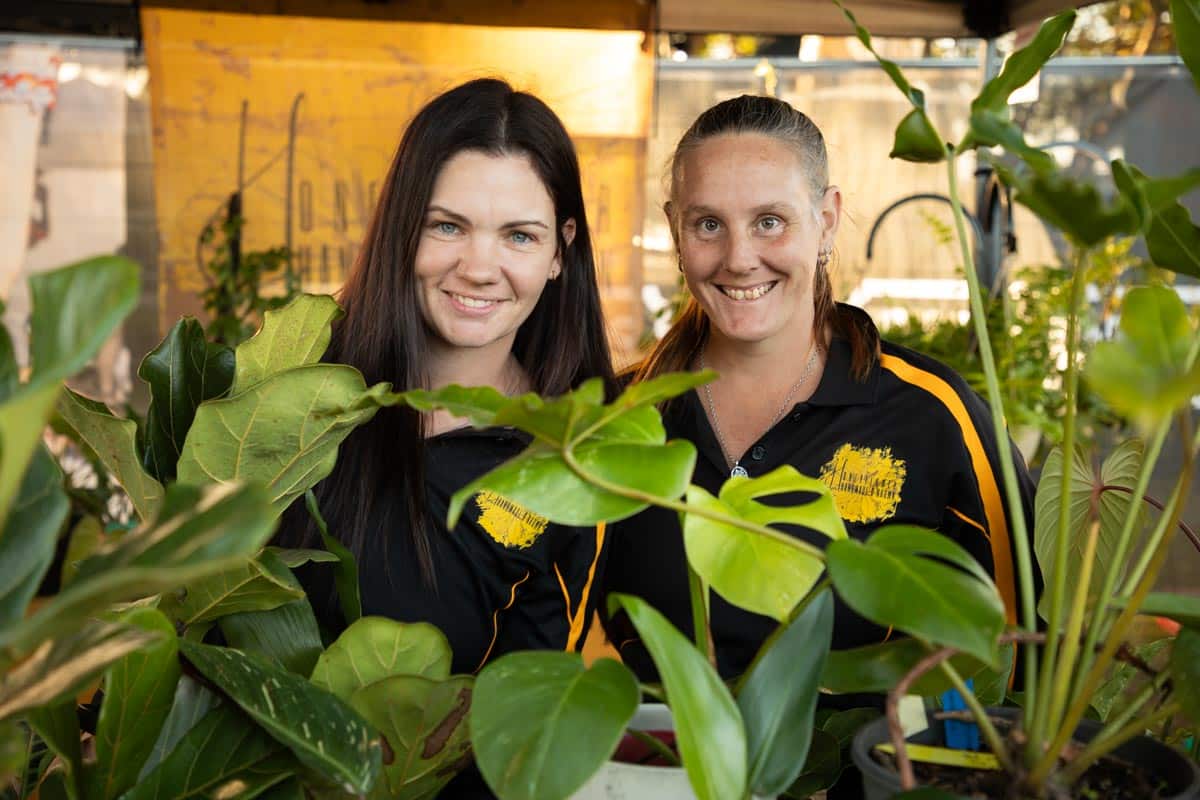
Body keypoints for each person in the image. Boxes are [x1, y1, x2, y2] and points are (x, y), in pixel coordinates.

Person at [601, 94, 1036, 698]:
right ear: (675, 226)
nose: (739, 258)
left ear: (826, 219)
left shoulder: (933, 415)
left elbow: (1020, 653)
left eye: (769, 221)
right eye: (708, 224)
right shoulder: (616, 417)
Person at [276, 78, 615, 679]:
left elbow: (522, 712)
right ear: (403, 228)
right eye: (447, 227)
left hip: (430, 775)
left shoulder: (574, 456)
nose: (480, 269)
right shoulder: (297, 383)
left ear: (560, 251)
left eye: (519, 236)